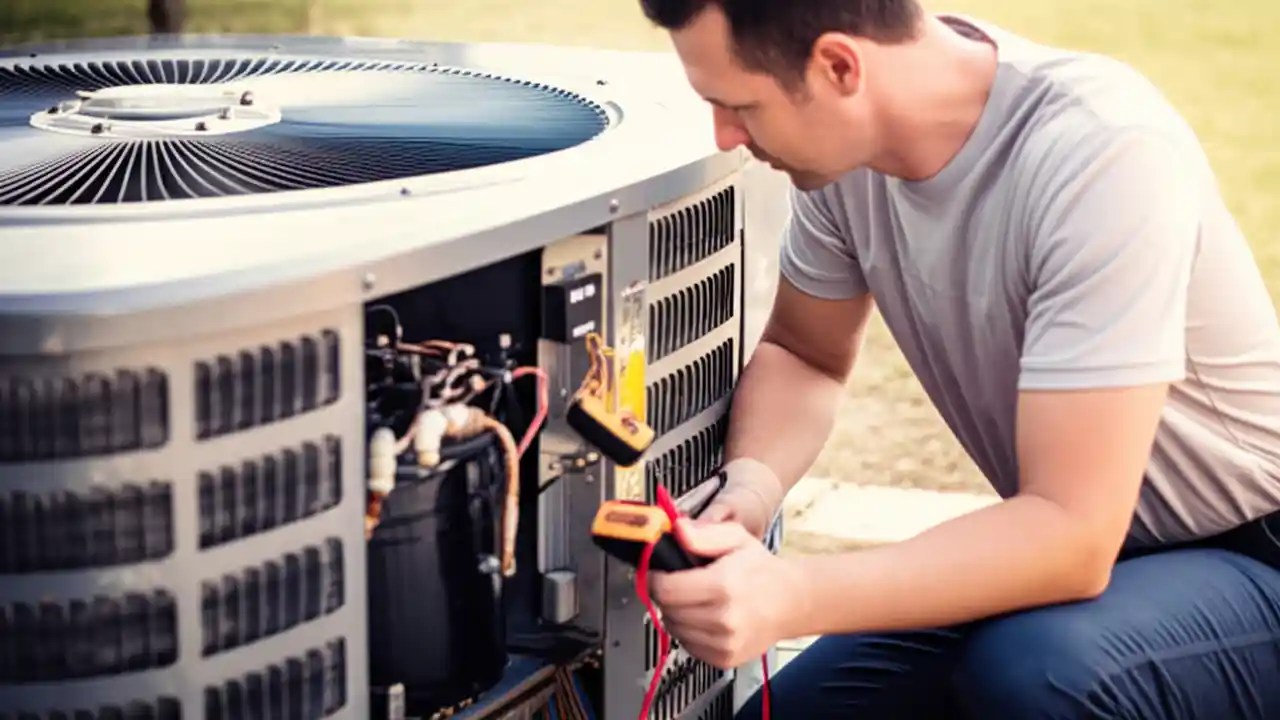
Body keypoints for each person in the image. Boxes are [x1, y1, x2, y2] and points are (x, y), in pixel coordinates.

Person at [636, 0, 1280, 717]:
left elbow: (1073, 534)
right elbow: (804, 353)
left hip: (1253, 551)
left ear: (840, 66)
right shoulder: (847, 152)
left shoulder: (1100, 152)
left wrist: (792, 595)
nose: (725, 136)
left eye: (739, 106)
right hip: (1087, 548)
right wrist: (749, 490)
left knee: (1039, 675)